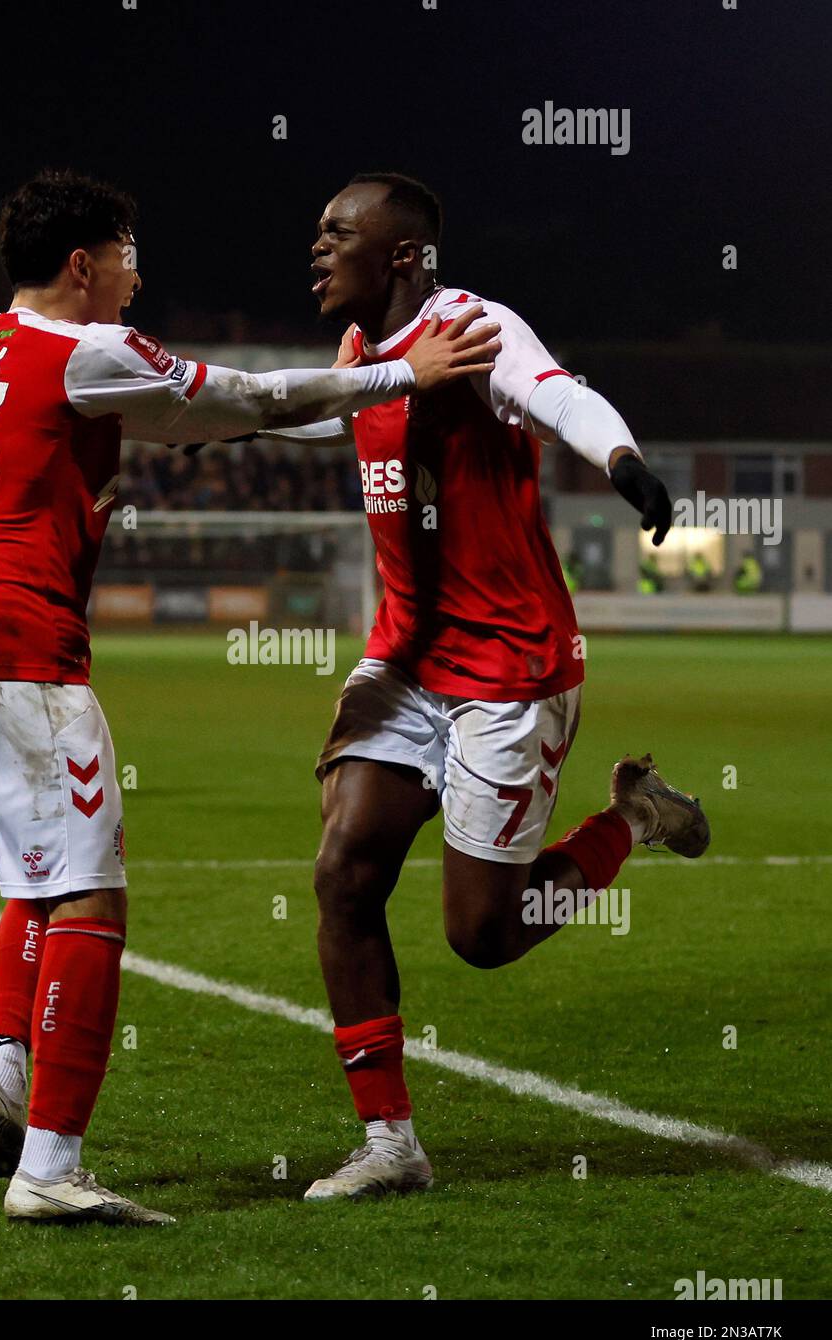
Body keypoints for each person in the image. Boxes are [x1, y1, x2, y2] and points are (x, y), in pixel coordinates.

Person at [0, 169, 501, 1225]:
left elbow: (196, 431)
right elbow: (250, 401)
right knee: (90, 899)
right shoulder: (85, 349)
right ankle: (50, 1168)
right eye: (126, 252)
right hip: (20, 662)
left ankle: (1, 1069)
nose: (138, 273)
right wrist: (400, 377)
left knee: (36, 875)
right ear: (83, 264)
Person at [270, 172, 710, 1200]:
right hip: (406, 662)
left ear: (407, 257)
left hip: (508, 671)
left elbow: (554, 391)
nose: (318, 246)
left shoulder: (467, 324)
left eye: (340, 231)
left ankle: (628, 823)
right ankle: (389, 1145)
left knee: (483, 934)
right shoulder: (357, 357)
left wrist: (621, 458)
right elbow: (276, 408)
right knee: (343, 871)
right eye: (319, 227)